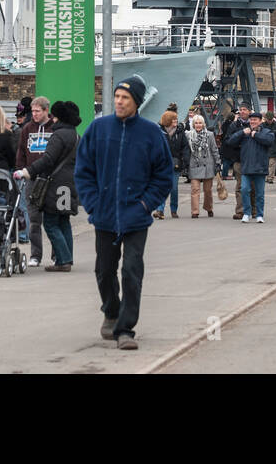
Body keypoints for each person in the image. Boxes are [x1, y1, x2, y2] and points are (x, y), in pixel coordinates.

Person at [74, 76, 173, 350]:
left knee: (131, 270)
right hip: (104, 215)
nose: (118, 101)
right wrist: (93, 203)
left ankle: (126, 329)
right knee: (104, 270)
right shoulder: (98, 129)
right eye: (117, 96)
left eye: (125, 98)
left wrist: (145, 204)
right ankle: (111, 311)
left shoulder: (151, 134)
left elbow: (163, 176)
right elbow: (83, 171)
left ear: (137, 103)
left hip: (136, 216)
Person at [21, 100, 81, 271]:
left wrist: (28, 171)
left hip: (55, 184)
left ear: (59, 117)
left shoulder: (58, 136)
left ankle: (63, 261)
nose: (52, 118)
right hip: (70, 183)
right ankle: (67, 257)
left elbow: (48, 159)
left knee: (51, 223)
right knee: (64, 221)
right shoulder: (76, 136)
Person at [15, 96, 53, 263]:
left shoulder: (55, 128)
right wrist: (20, 170)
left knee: (52, 220)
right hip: (31, 178)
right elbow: (21, 151)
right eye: (33, 111)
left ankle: (56, 255)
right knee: (34, 220)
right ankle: (35, 255)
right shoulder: (27, 128)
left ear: (46, 111)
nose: (35, 114)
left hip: (50, 179)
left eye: (38, 111)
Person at [228, 111, 275, 222]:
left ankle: (259, 214)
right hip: (247, 167)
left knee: (259, 193)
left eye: (255, 120)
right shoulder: (245, 132)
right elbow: (230, 141)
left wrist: (256, 135)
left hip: (260, 168)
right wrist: (241, 133)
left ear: (260, 121)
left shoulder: (267, 132)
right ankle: (247, 213)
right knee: (244, 189)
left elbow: (269, 141)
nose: (253, 122)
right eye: (251, 120)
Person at [184, 113, 220, 217]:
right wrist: (185, 164)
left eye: (200, 123)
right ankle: (195, 212)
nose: (198, 125)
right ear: (193, 124)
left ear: (203, 124)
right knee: (195, 189)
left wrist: (218, 163)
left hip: (208, 165)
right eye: (196, 123)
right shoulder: (188, 135)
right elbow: (186, 151)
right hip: (194, 164)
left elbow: (214, 150)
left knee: (208, 190)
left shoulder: (209, 135)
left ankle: (209, 208)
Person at [154, 110, 187, 219]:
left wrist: (184, 160)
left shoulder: (180, 132)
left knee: (173, 188)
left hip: (176, 163)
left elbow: (185, 147)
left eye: (176, 120)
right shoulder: (159, 132)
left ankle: (174, 209)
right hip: (162, 164)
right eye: (173, 120)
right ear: (168, 121)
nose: (176, 122)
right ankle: (160, 210)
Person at [220, 103, 250, 215]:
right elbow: (229, 140)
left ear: (249, 111)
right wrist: (241, 134)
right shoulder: (234, 125)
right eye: (240, 110)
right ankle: (240, 211)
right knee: (240, 186)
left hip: (252, 159)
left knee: (252, 186)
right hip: (238, 158)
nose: (242, 112)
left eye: (244, 109)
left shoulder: (254, 123)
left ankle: (253, 210)